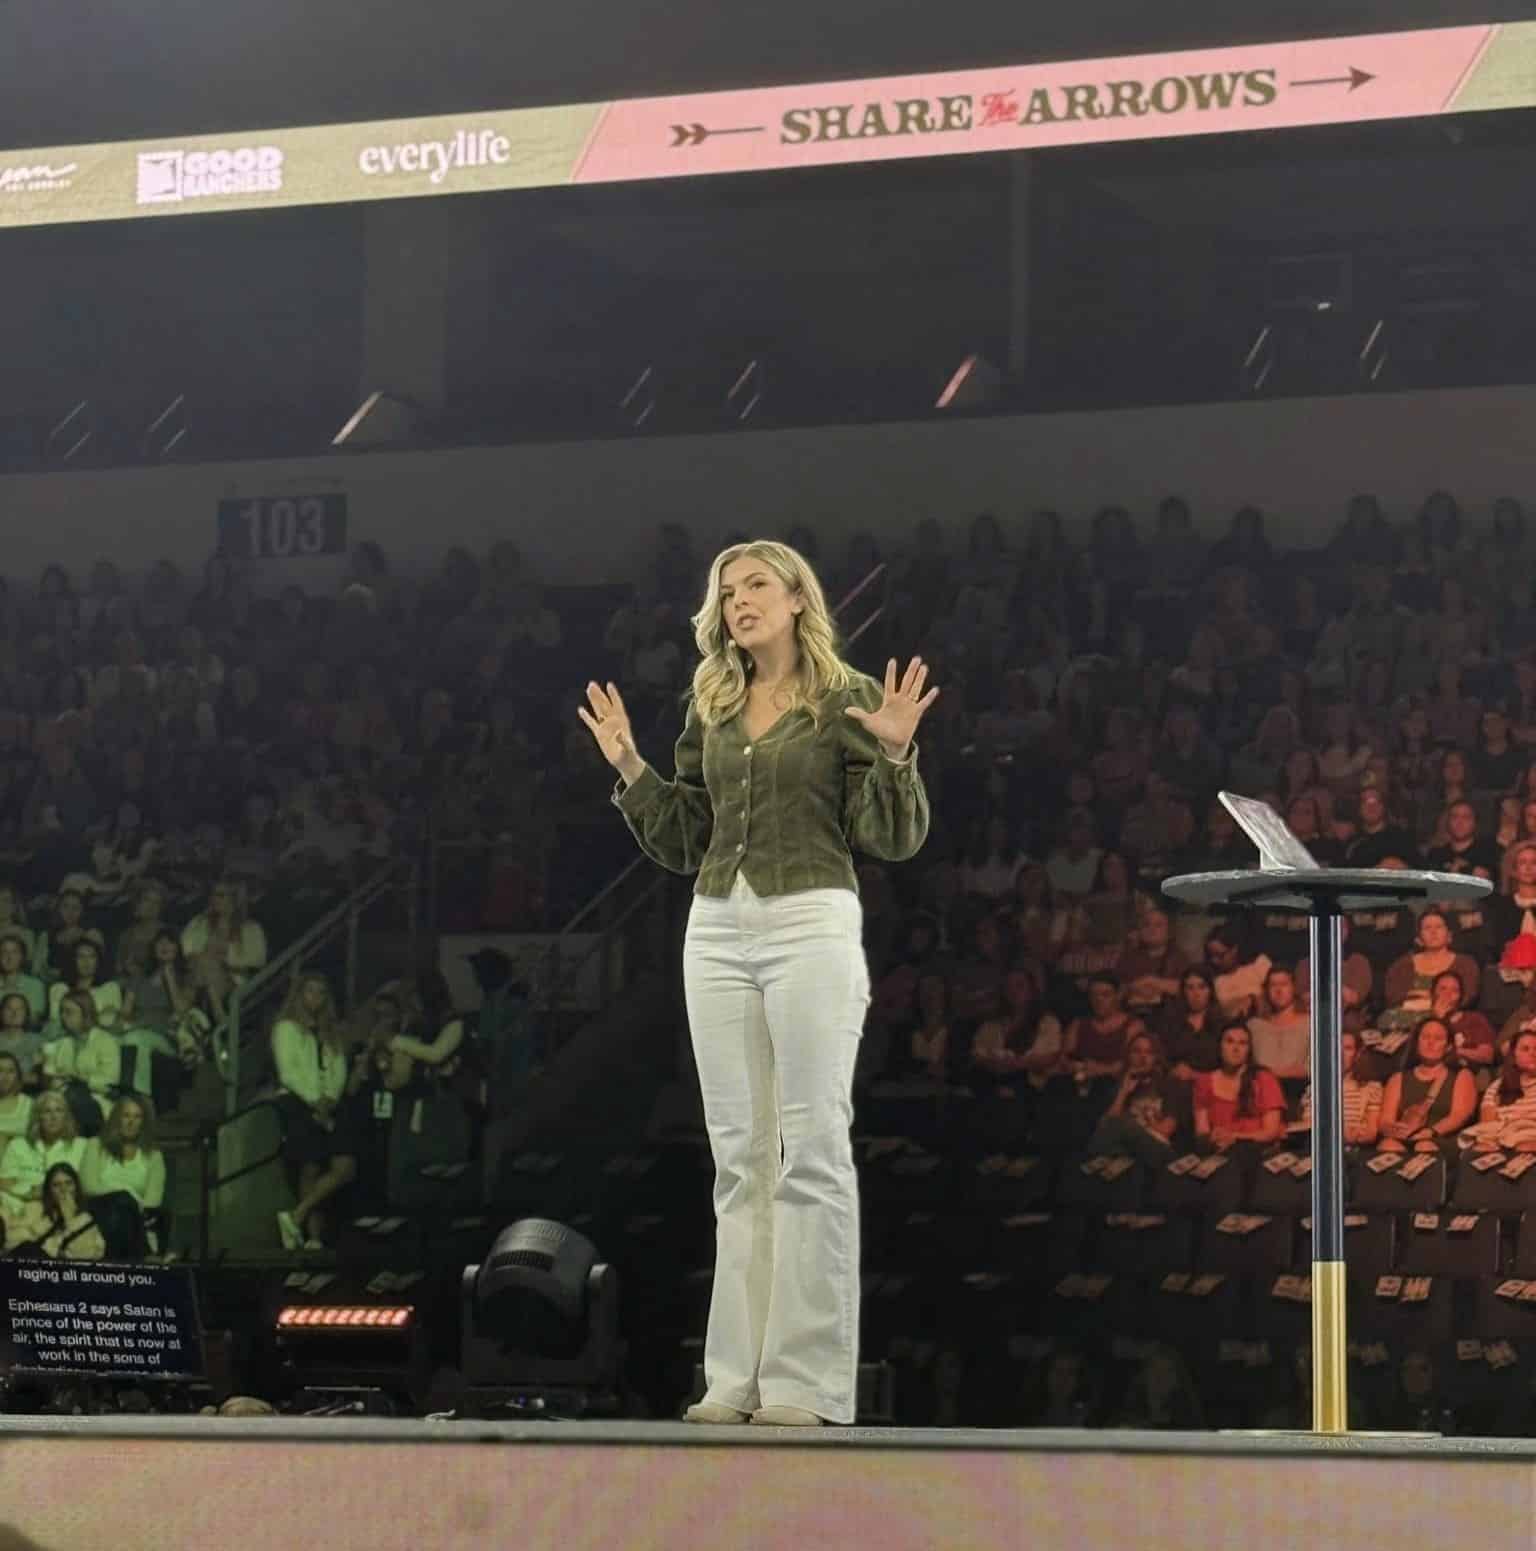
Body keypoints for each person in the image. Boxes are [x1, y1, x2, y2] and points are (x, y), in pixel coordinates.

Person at [584, 539, 935, 1429]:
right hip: (717, 926)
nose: (738, 600)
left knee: (813, 1150)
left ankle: (805, 1383)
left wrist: (895, 755)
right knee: (740, 1161)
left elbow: (888, 837)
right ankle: (732, 1379)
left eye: (755, 586)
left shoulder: (849, 697)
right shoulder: (712, 703)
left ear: (794, 599)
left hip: (811, 918)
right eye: (726, 590)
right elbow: (685, 836)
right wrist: (629, 768)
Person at [271, 974, 358, 1252]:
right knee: (310, 1166)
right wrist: (314, 1100)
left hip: (330, 1103)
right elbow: (289, 1073)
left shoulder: (332, 1031)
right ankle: (313, 1238)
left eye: (321, 993)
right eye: (310, 991)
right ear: (299, 994)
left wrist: (330, 1098)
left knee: (345, 1168)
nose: (315, 998)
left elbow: (339, 1068)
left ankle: (296, 1216)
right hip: (298, 1101)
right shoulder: (285, 1028)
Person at [1376, 1018, 1477, 1155]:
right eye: (1425, 1037)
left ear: (1448, 1046)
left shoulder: (1461, 1075)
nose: (1430, 1043)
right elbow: (1385, 1121)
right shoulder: (1398, 1078)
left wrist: (1430, 1132)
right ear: (1417, 1042)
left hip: (1443, 1138)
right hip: (1407, 1138)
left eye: (1438, 1038)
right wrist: (1395, 1129)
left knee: (1424, 1147)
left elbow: (1459, 1116)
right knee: (1388, 1146)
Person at [1192, 1024, 1285, 1154]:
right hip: (1220, 1152)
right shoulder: (1204, 1081)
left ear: (1249, 1050)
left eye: (1242, 1043)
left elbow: (1271, 1132)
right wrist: (1212, 1139)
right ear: (1220, 1046)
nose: (1236, 1048)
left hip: (1257, 1151)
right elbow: (1202, 1132)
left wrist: (1234, 1137)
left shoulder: (1264, 1079)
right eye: (1229, 1041)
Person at [1298, 1029, 1383, 1148]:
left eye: (1348, 1048)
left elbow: (1371, 1132)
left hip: (1354, 1149)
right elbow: (1309, 1125)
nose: (1340, 1053)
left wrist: (1354, 1136)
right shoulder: (1315, 1089)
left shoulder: (1371, 1088)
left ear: (1357, 1054)